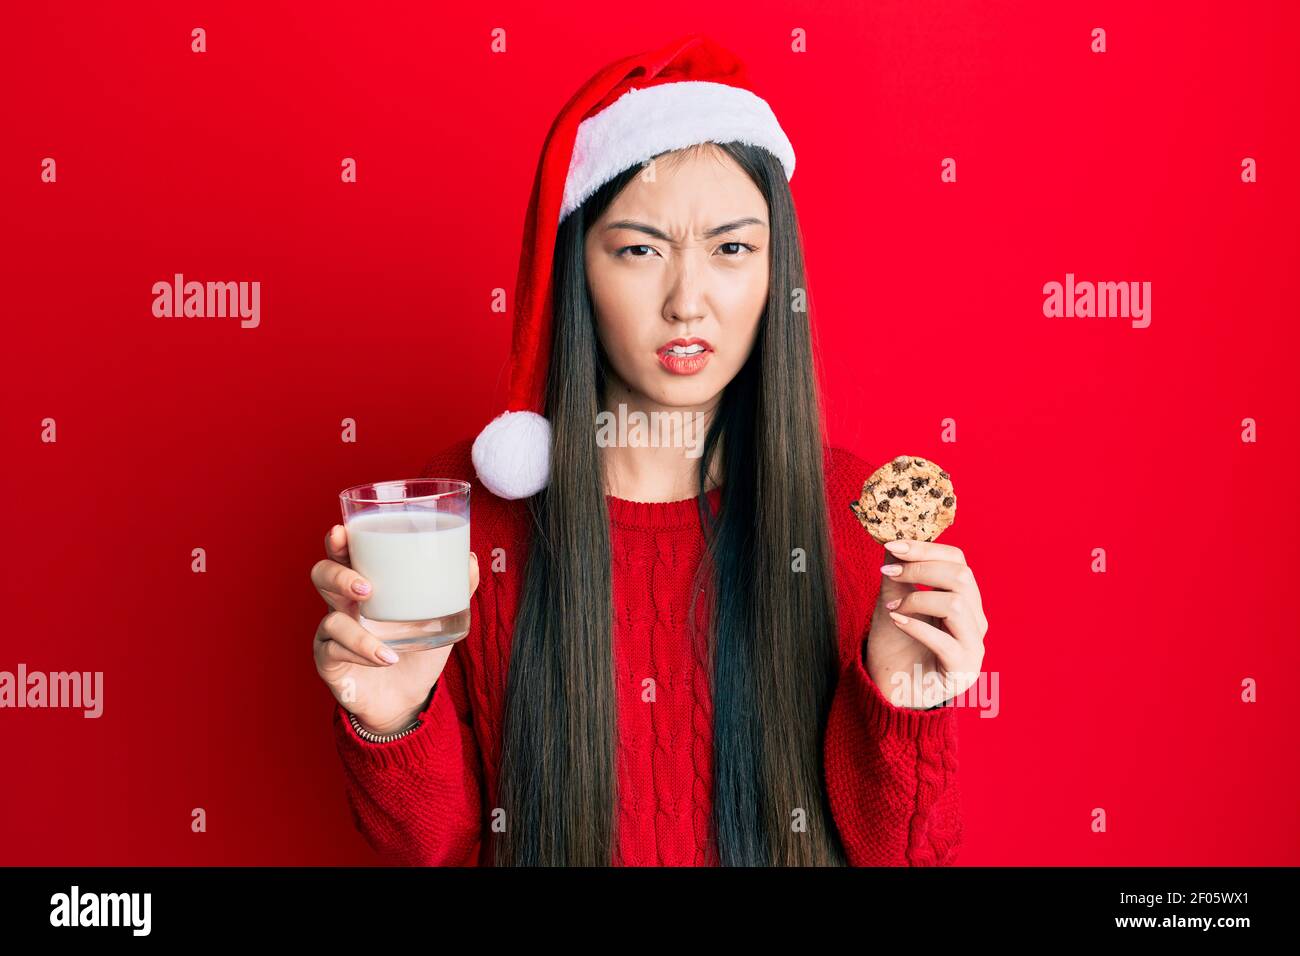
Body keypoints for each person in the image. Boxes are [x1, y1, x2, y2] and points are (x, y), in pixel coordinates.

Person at [311, 33, 987, 866]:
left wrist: (904, 701)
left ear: (778, 272)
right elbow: (439, 853)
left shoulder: (850, 524)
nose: (687, 300)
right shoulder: (457, 523)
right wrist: (391, 721)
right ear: (577, 270)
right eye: (639, 250)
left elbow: (905, 855)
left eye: (733, 248)